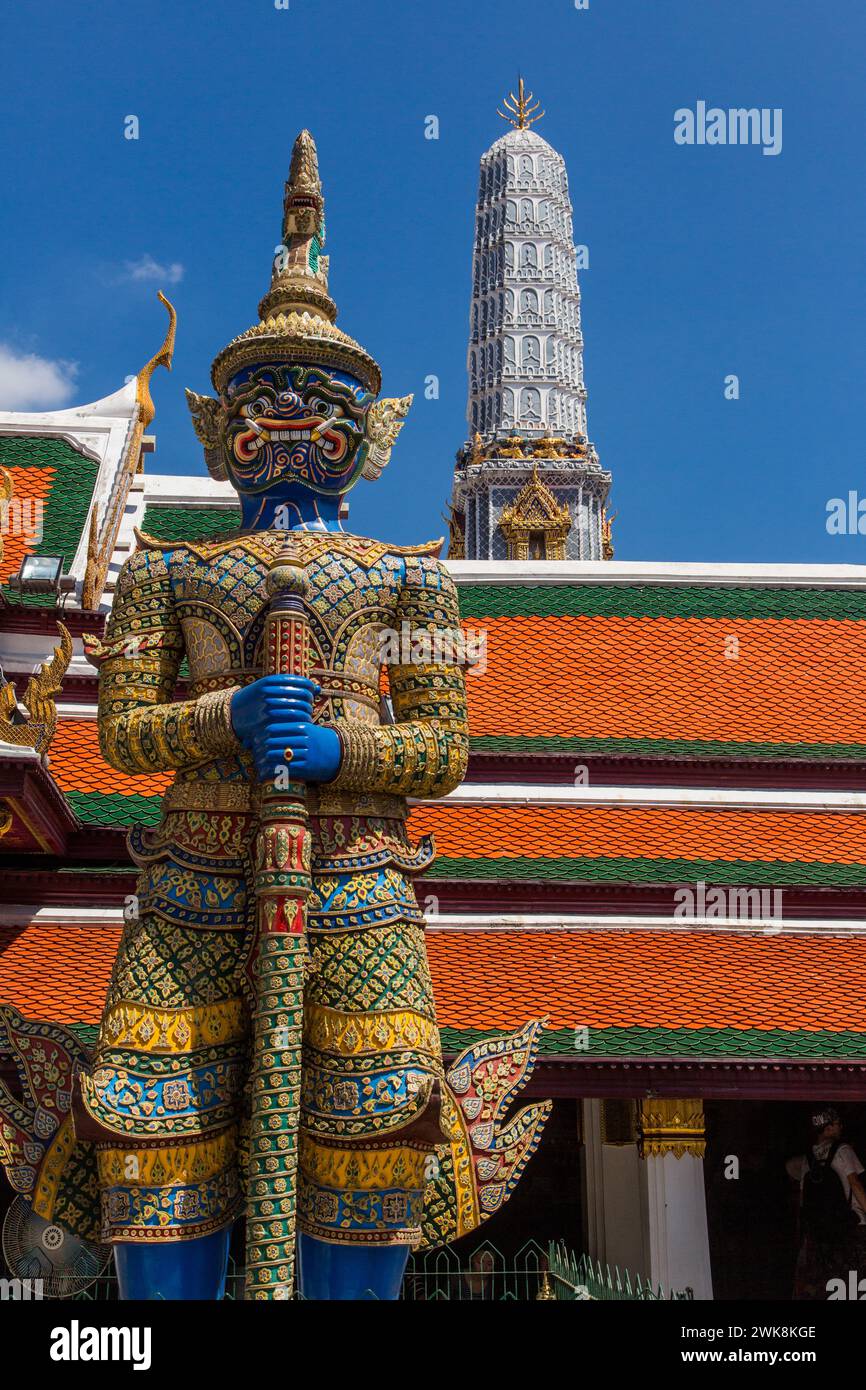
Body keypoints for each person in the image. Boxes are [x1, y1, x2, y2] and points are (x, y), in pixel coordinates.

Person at [787, 1107, 866, 1298]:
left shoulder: (807, 1159)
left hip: (821, 1231)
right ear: (828, 1128)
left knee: (829, 1281)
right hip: (852, 1224)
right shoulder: (843, 1150)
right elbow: (854, 1183)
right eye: (838, 1124)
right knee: (857, 1280)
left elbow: (803, 1199)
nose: (841, 1127)